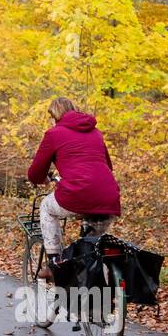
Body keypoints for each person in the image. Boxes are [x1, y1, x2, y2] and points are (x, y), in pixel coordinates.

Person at [26, 97, 121, 276]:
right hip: (108, 196)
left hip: (76, 194)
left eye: (50, 117)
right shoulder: (96, 132)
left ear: (55, 115)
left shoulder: (54, 134)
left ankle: (55, 264)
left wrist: (43, 179)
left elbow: (35, 173)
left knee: (46, 207)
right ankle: (93, 284)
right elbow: (108, 166)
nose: (50, 121)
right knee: (90, 248)